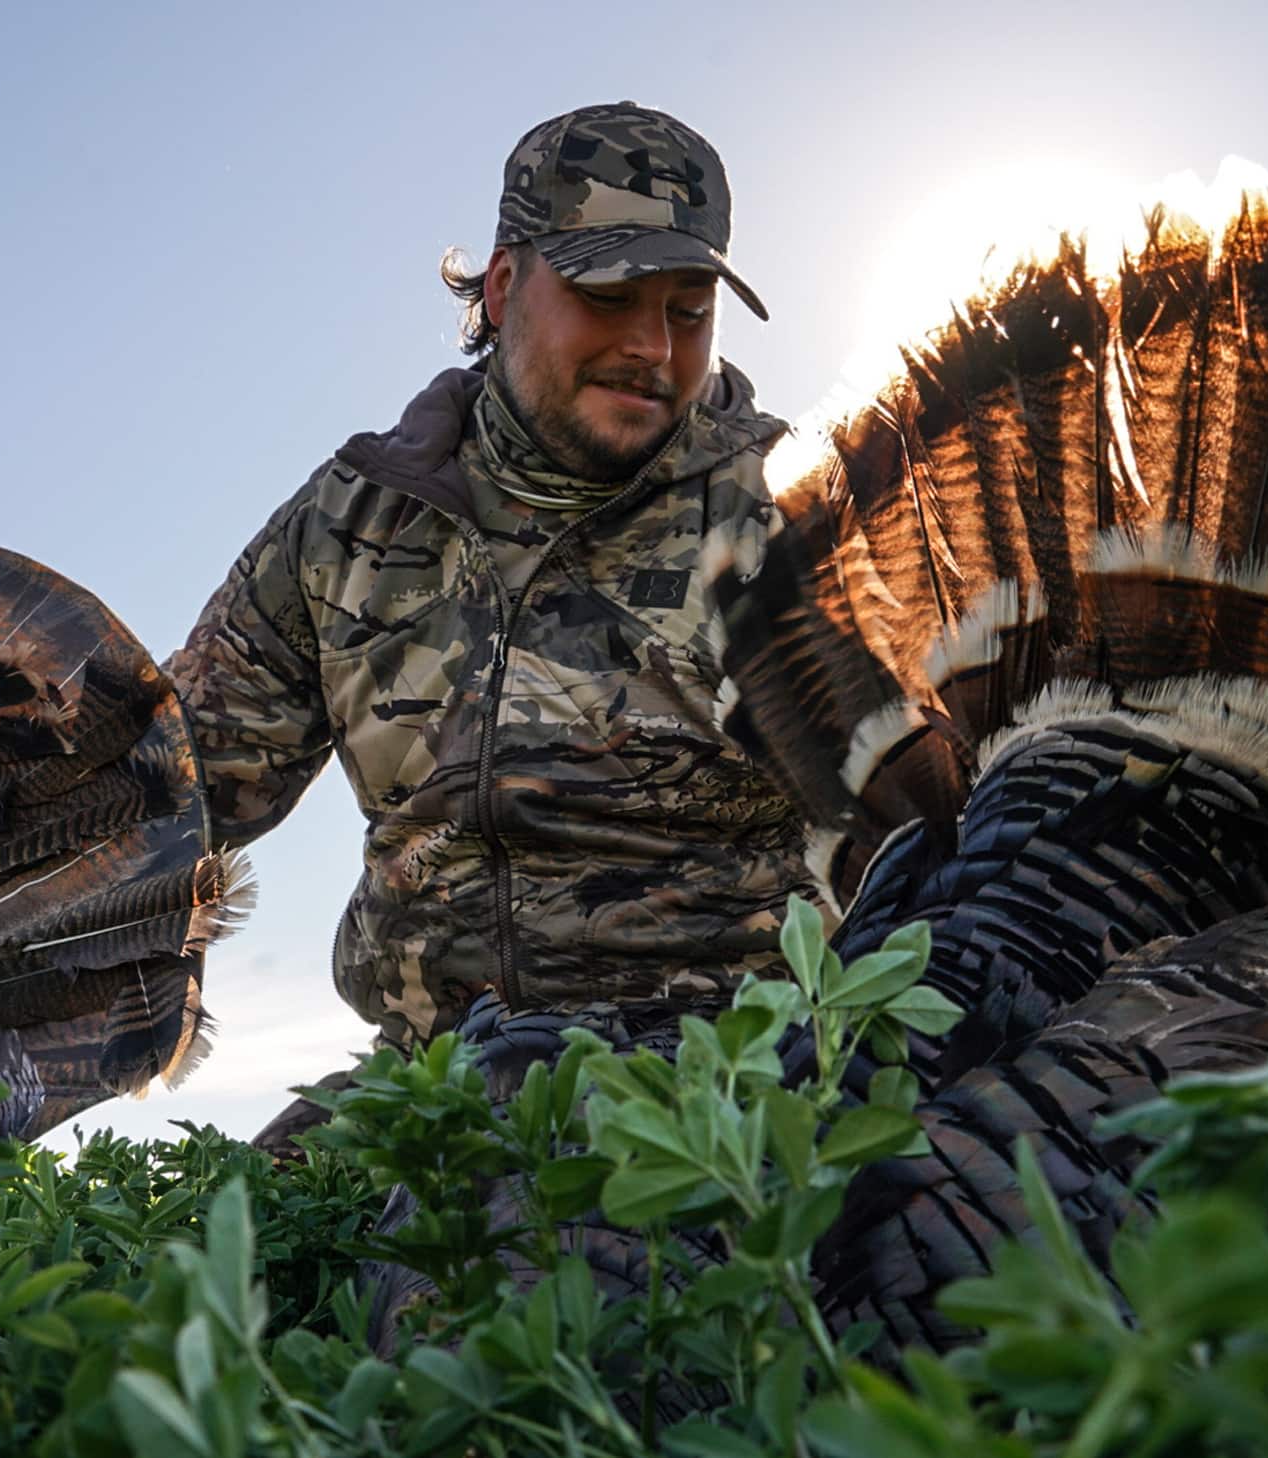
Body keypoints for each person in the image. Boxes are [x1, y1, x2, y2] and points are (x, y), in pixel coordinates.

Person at [165, 102, 814, 1105]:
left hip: (729, 1081)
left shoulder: (801, 516)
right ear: (505, 287)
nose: (653, 346)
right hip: (434, 1083)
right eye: (613, 295)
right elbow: (168, 791)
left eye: (688, 310)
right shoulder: (351, 524)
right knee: (215, 1256)